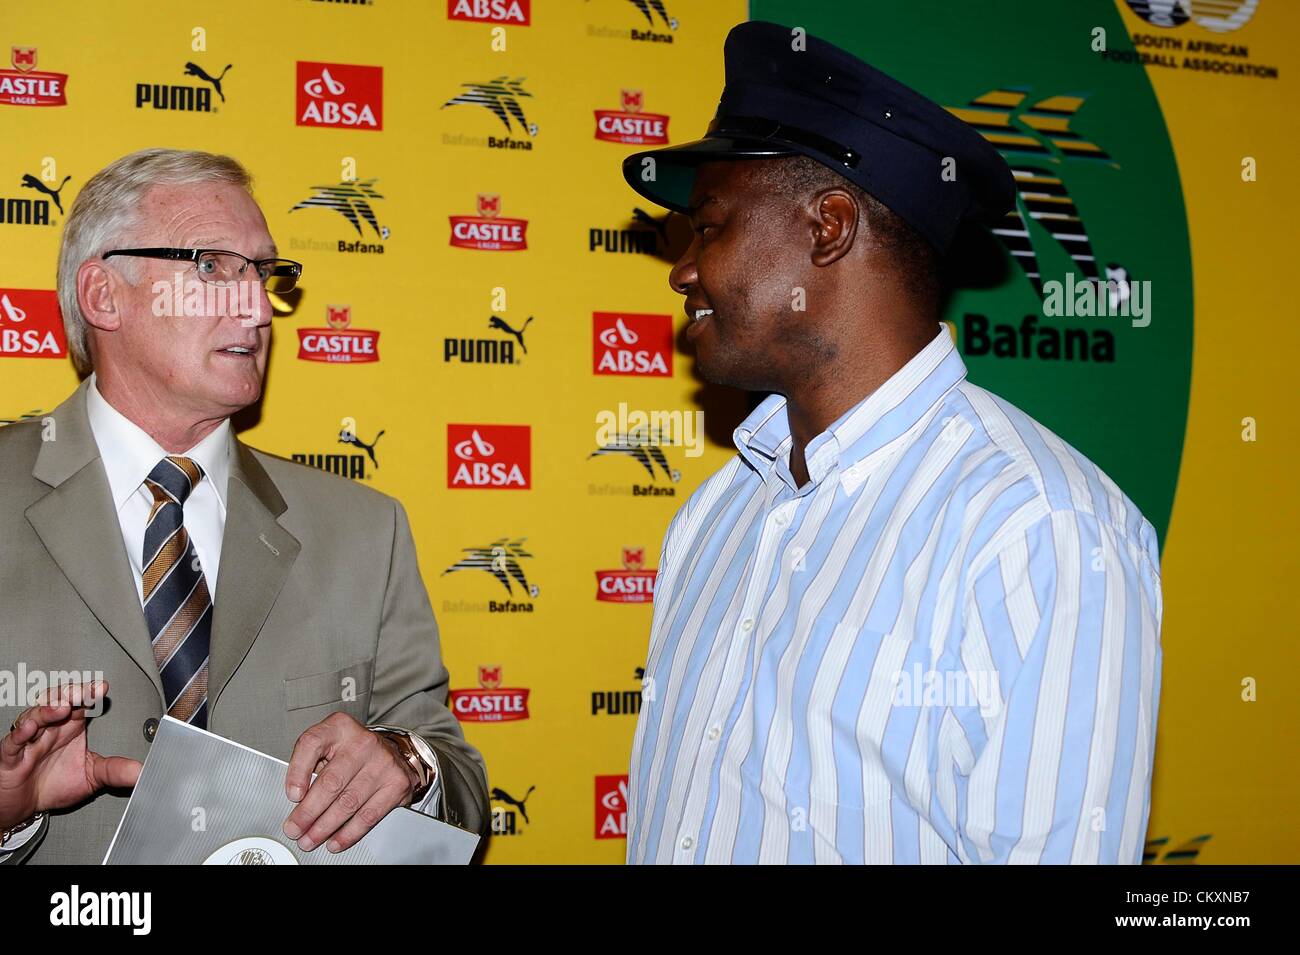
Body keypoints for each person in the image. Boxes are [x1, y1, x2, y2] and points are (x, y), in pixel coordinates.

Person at [620, 22, 1163, 864]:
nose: (683, 269)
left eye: (711, 225)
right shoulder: (714, 516)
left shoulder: (1039, 530)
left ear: (829, 227)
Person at [0, 148, 488, 864]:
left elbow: (460, 783)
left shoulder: (363, 530)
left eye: (264, 273)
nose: (258, 308)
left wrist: (406, 763)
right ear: (103, 294)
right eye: (210, 266)